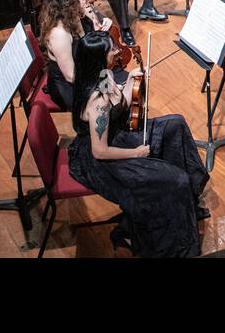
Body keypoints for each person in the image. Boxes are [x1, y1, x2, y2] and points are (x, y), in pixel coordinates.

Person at [68, 31, 209, 256]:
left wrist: (132, 80)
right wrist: (136, 153)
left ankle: (185, 204)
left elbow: (120, 104)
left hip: (116, 137)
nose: (117, 51)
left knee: (175, 125)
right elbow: (100, 152)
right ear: (99, 58)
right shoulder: (97, 104)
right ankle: (175, 244)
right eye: (111, 50)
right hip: (104, 160)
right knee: (175, 180)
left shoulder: (104, 75)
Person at [39, 0, 114, 109]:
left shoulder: (78, 14)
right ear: (68, 3)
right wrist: (103, 84)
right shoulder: (59, 34)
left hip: (86, 71)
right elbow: (71, 76)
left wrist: (99, 29)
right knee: (108, 103)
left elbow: (86, 47)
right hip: (70, 86)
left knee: (118, 91)